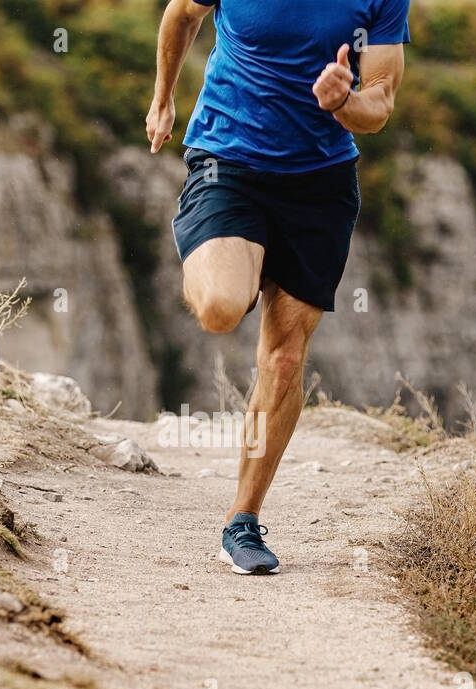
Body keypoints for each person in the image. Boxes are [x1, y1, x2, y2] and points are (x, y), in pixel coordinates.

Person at [146, 0, 411, 574]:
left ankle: (242, 521)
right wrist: (163, 95)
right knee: (219, 308)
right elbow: (182, 14)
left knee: (285, 360)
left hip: (320, 185)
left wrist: (344, 101)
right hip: (229, 158)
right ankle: (227, 248)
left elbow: (381, 105)